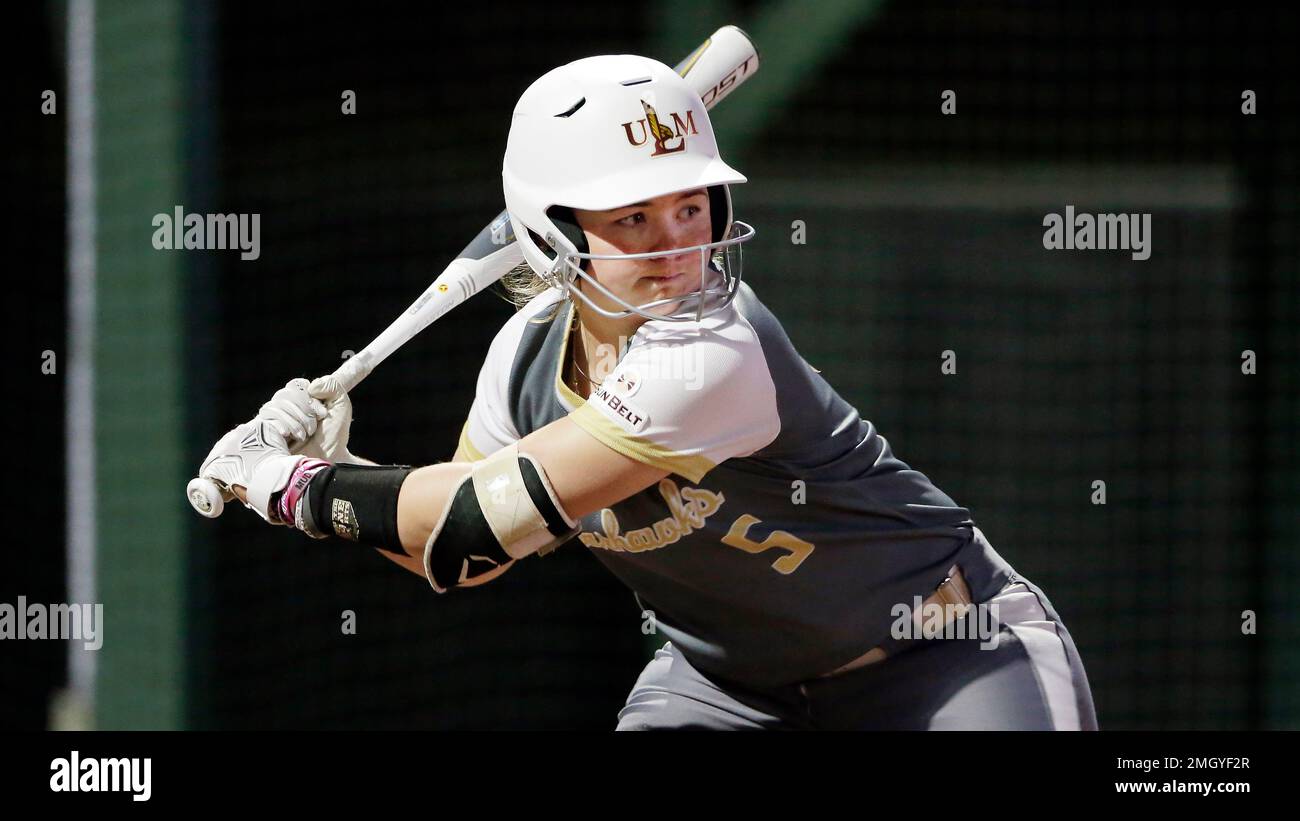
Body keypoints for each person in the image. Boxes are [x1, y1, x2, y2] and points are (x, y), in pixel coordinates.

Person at [198, 54, 1098, 730]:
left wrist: (287, 483)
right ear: (551, 237)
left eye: (691, 204)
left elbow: (481, 519)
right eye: (633, 216)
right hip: (727, 691)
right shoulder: (522, 362)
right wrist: (340, 469)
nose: (679, 244)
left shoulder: (715, 345)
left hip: (944, 662)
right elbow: (462, 555)